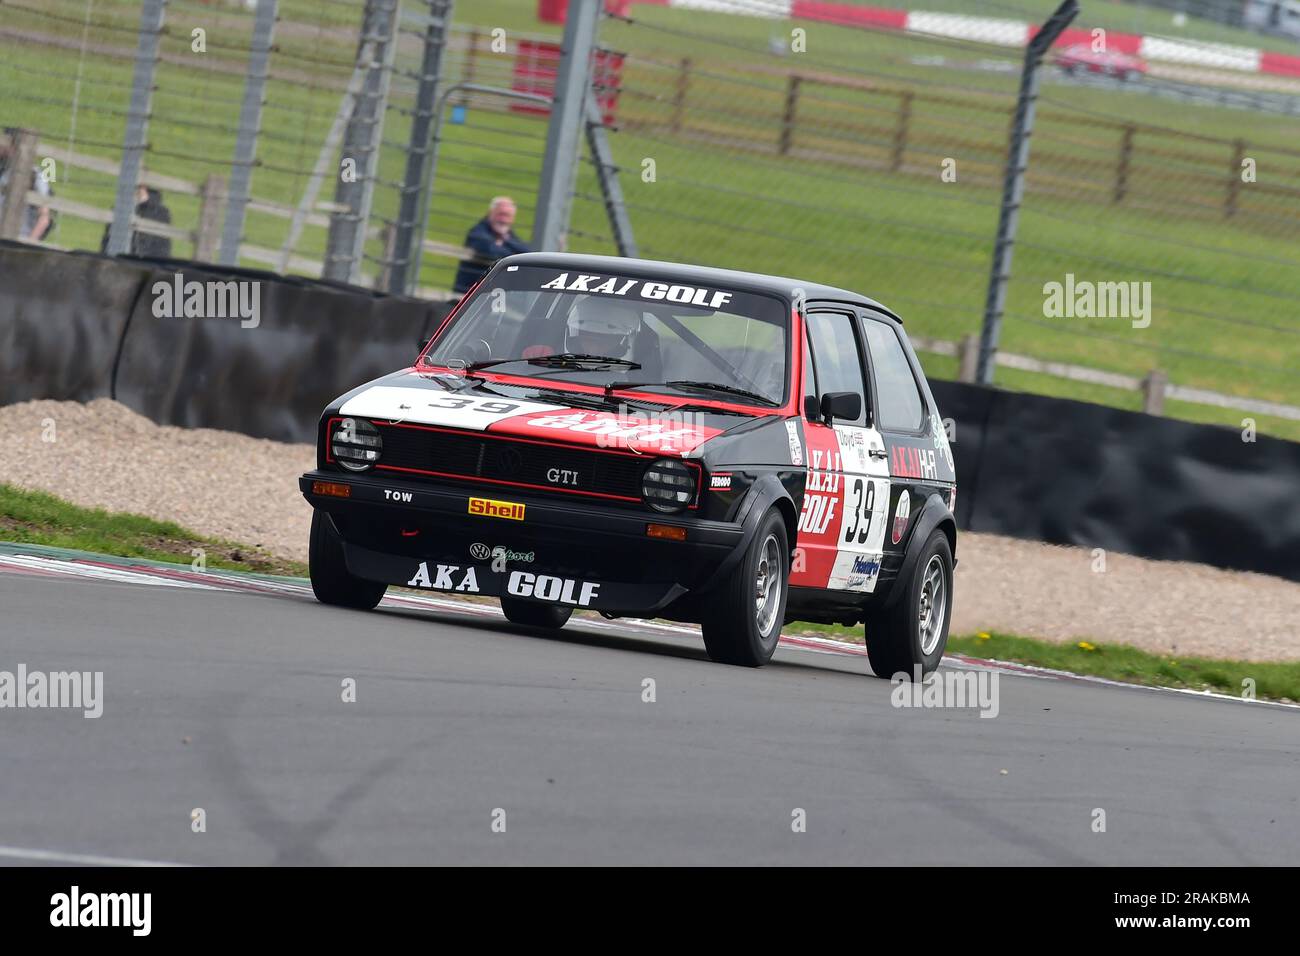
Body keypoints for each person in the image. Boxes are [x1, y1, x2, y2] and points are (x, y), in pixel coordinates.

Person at [453, 196, 529, 294]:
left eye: (508, 216)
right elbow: (490, 251)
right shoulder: (477, 232)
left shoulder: (507, 236)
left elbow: (526, 252)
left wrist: (504, 242)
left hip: (492, 293)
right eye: (501, 214)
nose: (504, 220)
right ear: (490, 213)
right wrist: (508, 248)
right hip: (468, 294)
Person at [0, 128, 53, 241]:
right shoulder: (5, 171)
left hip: (19, 238)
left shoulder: (36, 175)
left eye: (4, 144)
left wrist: (28, 242)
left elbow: (44, 218)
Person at [100, 184, 173, 258]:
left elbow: (162, 247)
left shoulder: (160, 213)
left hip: (147, 263)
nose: (138, 191)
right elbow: (107, 239)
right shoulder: (119, 208)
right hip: (118, 259)